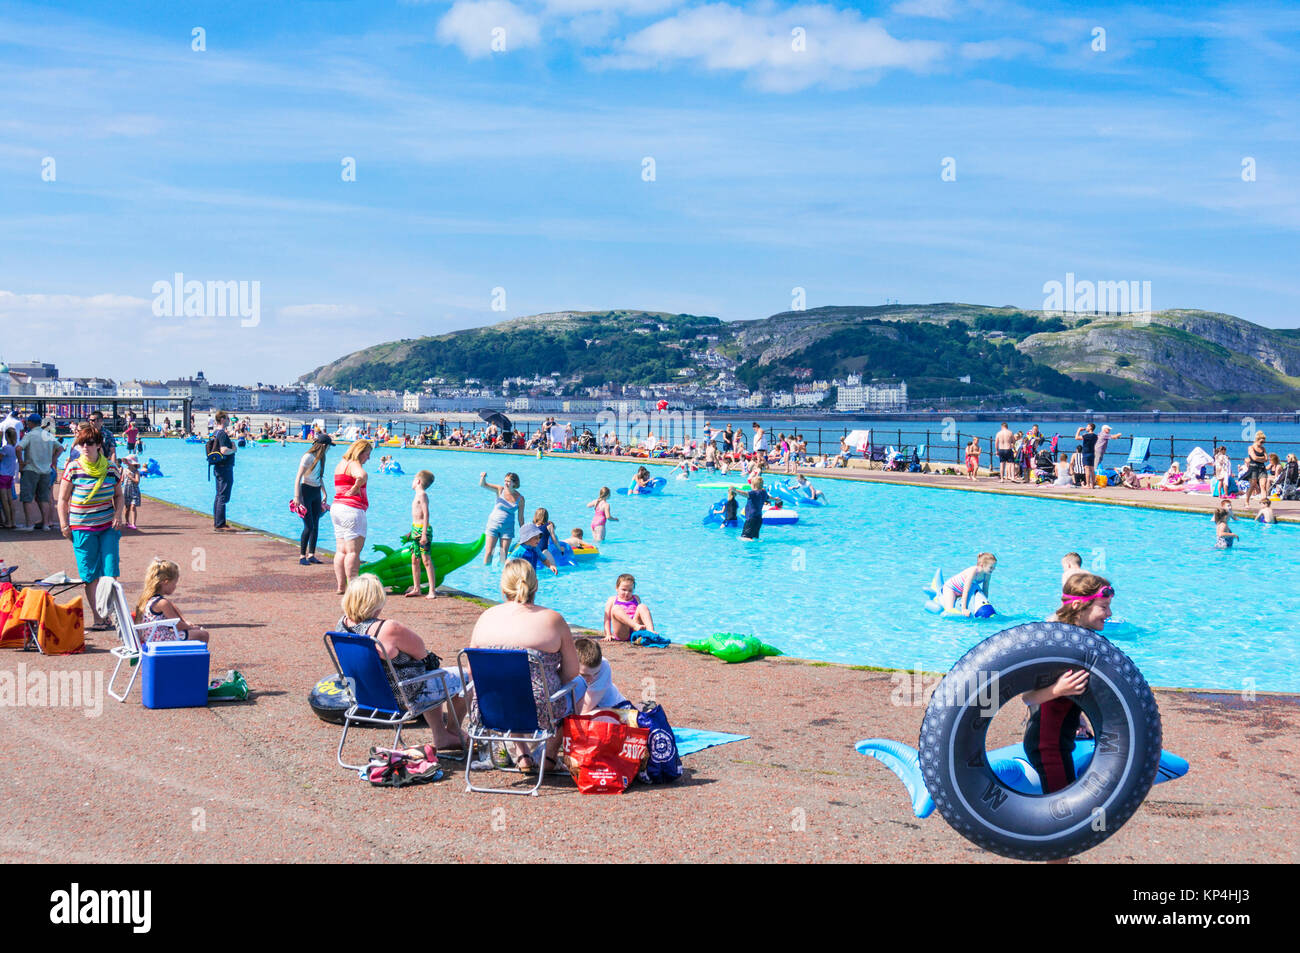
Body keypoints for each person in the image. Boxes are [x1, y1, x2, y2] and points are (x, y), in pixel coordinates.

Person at [1021, 571, 1113, 863]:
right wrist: (1058, 689)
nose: (1109, 614)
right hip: (1048, 747)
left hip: (1061, 739)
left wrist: (1079, 716)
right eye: (1104, 607)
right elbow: (1028, 696)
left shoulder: (1081, 640)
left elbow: (1078, 694)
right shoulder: (1055, 644)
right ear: (1079, 607)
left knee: (1066, 820)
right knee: (1064, 823)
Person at [468, 559, 583, 771]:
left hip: (490, 708)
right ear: (535, 586)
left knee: (506, 683)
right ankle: (549, 758)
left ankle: (523, 755)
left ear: (503, 588)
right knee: (580, 684)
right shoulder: (552, 619)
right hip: (540, 710)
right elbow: (572, 672)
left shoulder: (485, 618)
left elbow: (472, 671)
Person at [338, 574, 466, 753]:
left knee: (429, 675)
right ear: (376, 600)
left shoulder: (341, 627)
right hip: (403, 696)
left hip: (367, 694)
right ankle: (453, 731)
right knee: (466, 676)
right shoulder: (388, 628)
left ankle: (441, 735)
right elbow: (422, 653)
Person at [58, 423, 123, 630]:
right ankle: (98, 617)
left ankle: (110, 612)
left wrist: (118, 514)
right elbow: (62, 499)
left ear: (98, 445)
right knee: (90, 575)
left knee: (110, 572)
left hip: (107, 526)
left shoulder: (111, 468)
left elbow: (119, 495)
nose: (85, 446)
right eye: (81, 443)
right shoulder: (73, 467)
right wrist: (64, 524)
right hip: (81, 526)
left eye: (90, 443)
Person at [135, 558, 210, 643]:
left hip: (152, 637)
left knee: (194, 632)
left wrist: (185, 621)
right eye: (174, 583)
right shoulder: (162, 603)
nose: (175, 587)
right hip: (160, 640)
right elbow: (178, 625)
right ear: (166, 582)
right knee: (203, 635)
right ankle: (192, 656)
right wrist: (191, 627)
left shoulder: (150, 598)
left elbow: (172, 606)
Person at [330, 439, 372, 593]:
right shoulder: (354, 464)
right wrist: (355, 488)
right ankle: (353, 585)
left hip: (337, 508)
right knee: (353, 551)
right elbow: (362, 475)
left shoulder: (341, 464)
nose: (368, 458)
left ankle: (341, 586)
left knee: (341, 550)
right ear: (360, 452)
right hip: (352, 509)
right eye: (368, 454)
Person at [17, 412, 62, 531]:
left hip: (31, 469)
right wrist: (54, 459)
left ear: (30, 423)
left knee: (27, 498)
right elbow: (60, 448)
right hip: (46, 470)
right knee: (44, 498)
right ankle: (46, 524)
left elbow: (19, 448)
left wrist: (21, 463)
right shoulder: (47, 435)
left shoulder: (30, 435)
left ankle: (29, 524)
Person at [293, 434, 331, 565]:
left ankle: (311, 555)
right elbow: (298, 477)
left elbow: (320, 477)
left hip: (316, 492)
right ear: (324, 446)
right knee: (308, 526)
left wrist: (324, 493)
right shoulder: (308, 456)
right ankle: (302, 556)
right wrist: (297, 497)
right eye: (329, 447)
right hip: (306, 492)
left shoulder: (321, 458)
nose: (329, 449)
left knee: (315, 526)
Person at [480, 471, 524, 565]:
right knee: (488, 553)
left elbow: (520, 519)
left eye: (508, 481)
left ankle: (501, 577)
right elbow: (483, 485)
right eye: (505, 481)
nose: (506, 483)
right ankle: (486, 576)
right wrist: (483, 477)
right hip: (493, 526)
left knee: (503, 556)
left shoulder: (520, 499)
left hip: (507, 529)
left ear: (515, 483)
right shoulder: (500, 490)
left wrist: (524, 534)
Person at [574, 637, 628, 714]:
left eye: (596, 673)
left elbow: (582, 711)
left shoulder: (604, 666)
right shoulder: (563, 665)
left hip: (616, 707)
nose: (591, 679)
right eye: (584, 675)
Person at [406, 469, 438, 599]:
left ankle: (432, 590)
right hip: (415, 530)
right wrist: (411, 531)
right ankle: (416, 588)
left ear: (418, 481)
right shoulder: (417, 495)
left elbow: (425, 514)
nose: (412, 482)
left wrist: (424, 534)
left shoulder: (422, 495)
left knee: (426, 560)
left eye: (414, 479)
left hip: (423, 531)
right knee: (415, 559)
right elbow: (416, 516)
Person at [603, 573, 655, 641]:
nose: (627, 593)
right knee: (616, 608)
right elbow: (607, 619)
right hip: (622, 632)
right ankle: (635, 625)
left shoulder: (636, 598)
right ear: (617, 588)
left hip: (636, 630)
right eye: (624, 590)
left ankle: (651, 631)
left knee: (642, 606)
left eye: (630, 590)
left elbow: (641, 615)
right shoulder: (612, 600)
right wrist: (608, 634)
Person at [209, 410, 236, 530]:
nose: (229, 420)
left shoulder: (214, 433)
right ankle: (219, 524)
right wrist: (234, 449)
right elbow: (224, 450)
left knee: (219, 494)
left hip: (218, 467)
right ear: (223, 419)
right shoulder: (222, 434)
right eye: (228, 418)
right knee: (223, 495)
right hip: (225, 467)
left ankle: (219, 521)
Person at [1243, 431, 1270, 509]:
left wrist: (1260, 459)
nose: (1262, 443)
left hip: (1262, 469)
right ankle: (1246, 502)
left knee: (1263, 486)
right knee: (1252, 485)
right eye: (1261, 442)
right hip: (1253, 468)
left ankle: (1264, 504)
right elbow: (1254, 458)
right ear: (1257, 440)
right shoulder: (1251, 447)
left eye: (1264, 442)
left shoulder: (1263, 448)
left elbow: (1266, 459)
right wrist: (1262, 459)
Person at [740, 476, 768, 540]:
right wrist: (776, 499)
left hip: (751, 518)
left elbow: (744, 494)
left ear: (754, 485)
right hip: (759, 519)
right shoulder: (763, 493)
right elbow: (770, 498)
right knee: (755, 538)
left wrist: (735, 490)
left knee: (744, 538)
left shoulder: (753, 493)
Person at [0, 428, 16, 529]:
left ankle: (8, 521)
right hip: (10, 475)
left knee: (4, 500)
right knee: (10, 499)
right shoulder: (14, 448)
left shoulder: (6, 448)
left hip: (2, 475)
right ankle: (12, 521)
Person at [1074, 423, 1099, 488]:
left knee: (1087, 469)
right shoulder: (1095, 436)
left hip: (1086, 453)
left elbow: (1076, 438)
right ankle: (1093, 485)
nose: (1086, 428)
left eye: (1087, 426)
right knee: (1092, 469)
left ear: (1090, 427)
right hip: (1092, 453)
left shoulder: (1087, 435)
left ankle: (1088, 484)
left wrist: (1078, 430)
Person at [120, 456, 142, 530]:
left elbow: (137, 481)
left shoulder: (136, 472)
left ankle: (133, 523)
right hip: (126, 490)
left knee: (133, 506)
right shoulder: (125, 470)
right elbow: (122, 480)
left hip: (134, 490)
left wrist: (130, 477)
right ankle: (127, 522)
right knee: (127, 507)